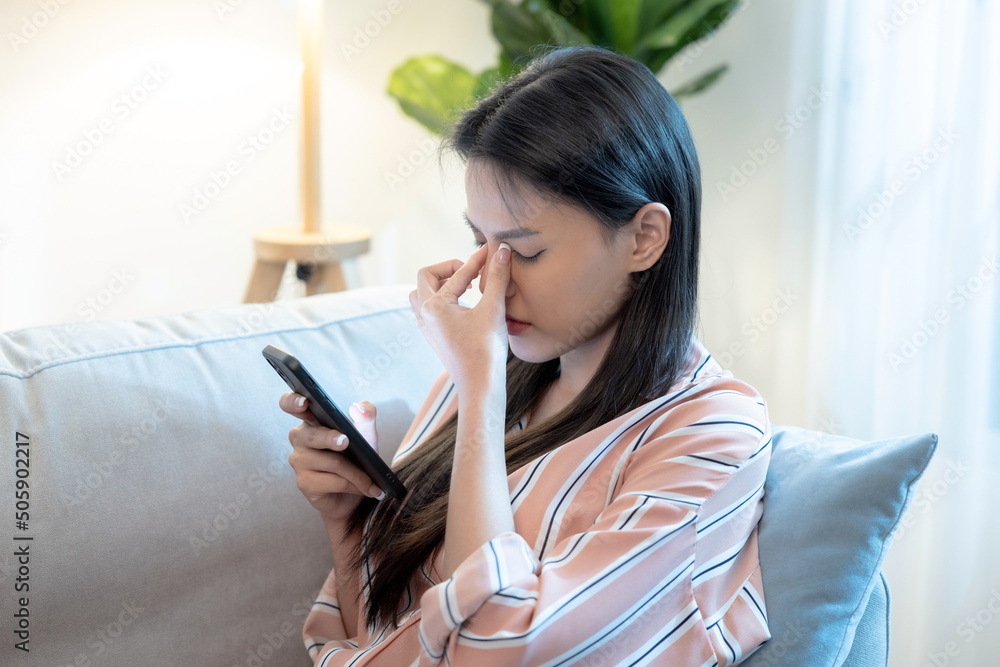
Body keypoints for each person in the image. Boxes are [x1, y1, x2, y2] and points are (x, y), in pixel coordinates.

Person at [279, 44, 772, 666]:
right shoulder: (486, 373)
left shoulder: (711, 434)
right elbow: (377, 636)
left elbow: (496, 652)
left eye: (527, 251)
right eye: (479, 241)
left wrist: (480, 392)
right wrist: (348, 521)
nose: (494, 281)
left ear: (644, 238)